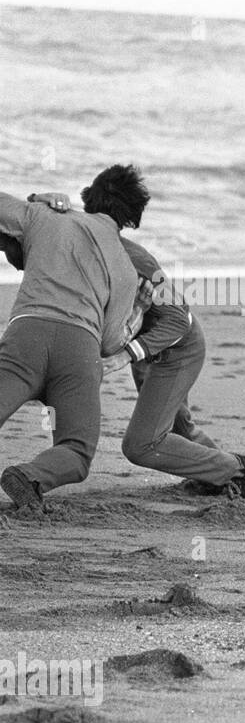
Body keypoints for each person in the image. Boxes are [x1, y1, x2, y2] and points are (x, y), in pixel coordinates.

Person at [25, 190, 245, 500]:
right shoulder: (70, 238)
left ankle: (237, 470)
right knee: (179, 431)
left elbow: (179, 320)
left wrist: (125, 355)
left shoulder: (135, 259)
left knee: (143, 444)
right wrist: (39, 199)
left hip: (174, 348)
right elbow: (20, 229)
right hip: (139, 348)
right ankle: (223, 479)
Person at [0, 167, 142, 508]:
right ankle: (30, 475)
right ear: (131, 219)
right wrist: (138, 313)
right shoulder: (125, 266)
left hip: (27, 336)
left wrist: (36, 198)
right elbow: (110, 342)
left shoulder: (45, 215)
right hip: (80, 352)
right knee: (77, 451)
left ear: (87, 196)